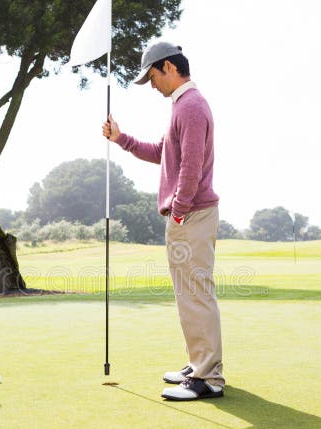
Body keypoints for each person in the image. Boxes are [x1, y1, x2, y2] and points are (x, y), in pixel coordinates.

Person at [102, 42, 224, 401]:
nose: (152, 85)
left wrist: (181, 210)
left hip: (193, 213)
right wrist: (121, 139)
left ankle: (209, 377)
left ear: (169, 67)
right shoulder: (182, 106)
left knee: (196, 292)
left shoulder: (190, 106)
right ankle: (198, 363)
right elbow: (163, 153)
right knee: (188, 293)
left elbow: (190, 165)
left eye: (153, 77)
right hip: (189, 213)